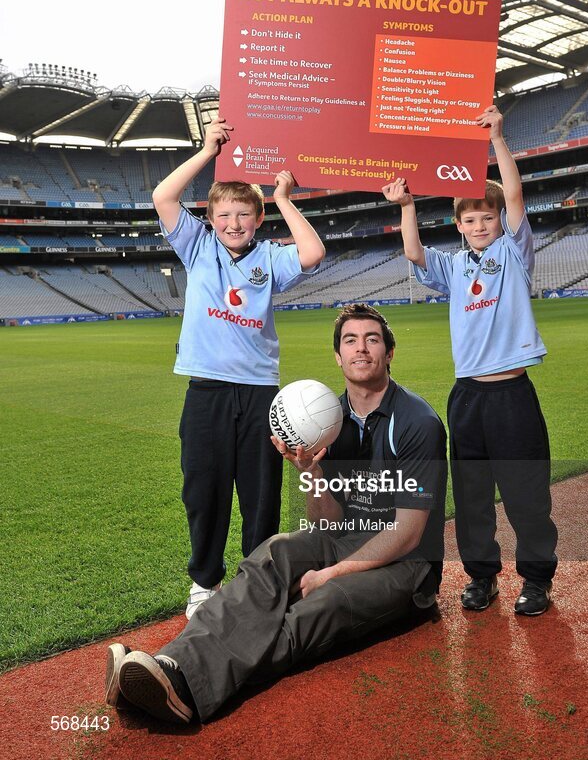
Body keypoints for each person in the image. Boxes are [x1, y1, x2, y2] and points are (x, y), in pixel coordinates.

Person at [104, 304, 447, 724]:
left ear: (389, 353)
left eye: (372, 339)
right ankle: (166, 665)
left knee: (320, 604)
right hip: (348, 539)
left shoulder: (418, 422)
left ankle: (183, 689)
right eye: (350, 341)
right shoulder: (327, 420)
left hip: (407, 565)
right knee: (272, 555)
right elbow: (328, 524)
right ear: (338, 356)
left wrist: (330, 574)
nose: (361, 349)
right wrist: (314, 473)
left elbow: (409, 533)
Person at [383, 104, 558, 616]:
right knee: (474, 497)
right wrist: (408, 206)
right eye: (471, 218)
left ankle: (537, 578)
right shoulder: (455, 265)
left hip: (511, 393)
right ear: (459, 224)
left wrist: (497, 139)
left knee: (526, 493)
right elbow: (415, 254)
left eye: (488, 216)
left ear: (500, 220)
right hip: (468, 395)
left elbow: (517, 193)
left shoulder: (512, 252)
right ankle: (483, 576)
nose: (480, 224)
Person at [152, 116, 325, 619]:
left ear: (258, 218)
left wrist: (286, 199)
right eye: (224, 214)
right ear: (210, 218)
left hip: (258, 395)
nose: (233, 223)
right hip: (206, 391)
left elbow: (312, 252)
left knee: (260, 495)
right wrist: (208, 151)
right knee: (203, 490)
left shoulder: (270, 256)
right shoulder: (197, 246)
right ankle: (204, 582)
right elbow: (165, 197)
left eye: (244, 215)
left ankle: (260, 579)